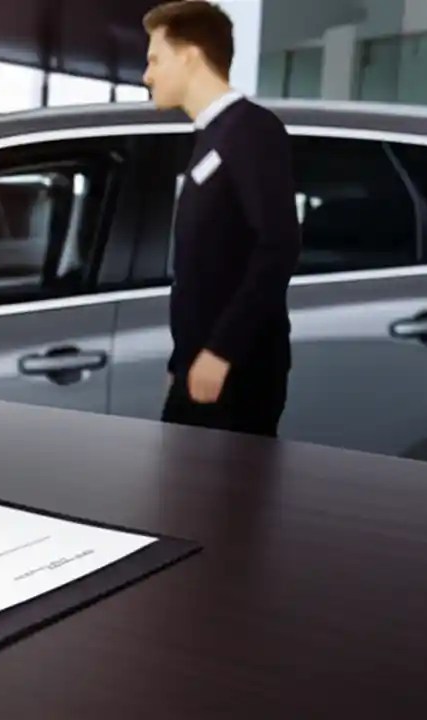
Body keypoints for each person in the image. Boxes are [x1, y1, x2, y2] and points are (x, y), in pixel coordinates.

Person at [141, 1, 301, 438]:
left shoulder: (251, 130)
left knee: (223, 502)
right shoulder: (212, 137)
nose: (147, 75)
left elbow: (279, 245)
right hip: (202, 364)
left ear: (190, 55)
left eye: (155, 59)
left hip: (238, 371)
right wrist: (183, 360)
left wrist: (220, 352)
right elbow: (205, 267)